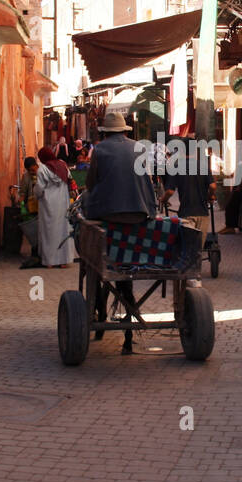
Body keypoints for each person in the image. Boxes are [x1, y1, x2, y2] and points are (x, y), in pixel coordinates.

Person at [82, 111, 158, 353]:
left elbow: (91, 184)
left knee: (86, 207)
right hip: (140, 215)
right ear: (125, 131)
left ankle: (99, 309)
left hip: (110, 217)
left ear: (106, 132)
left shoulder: (100, 150)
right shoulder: (138, 147)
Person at [34, 146, 76, 268]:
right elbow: (69, 180)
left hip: (48, 205)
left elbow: (40, 188)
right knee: (63, 230)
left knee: (49, 232)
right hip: (63, 203)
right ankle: (64, 261)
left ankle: (49, 262)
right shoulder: (63, 165)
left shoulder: (42, 169)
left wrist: (36, 194)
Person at [12, 157, 42, 268]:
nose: (32, 172)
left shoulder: (43, 173)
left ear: (36, 165)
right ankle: (35, 254)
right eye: (29, 170)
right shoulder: (26, 177)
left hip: (43, 207)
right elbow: (23, 192)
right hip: (32, 207)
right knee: (34, 231)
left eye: (33, 169)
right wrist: (20, 203)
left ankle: (42, 254)